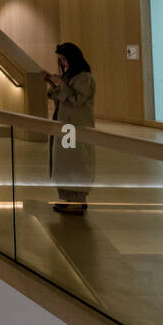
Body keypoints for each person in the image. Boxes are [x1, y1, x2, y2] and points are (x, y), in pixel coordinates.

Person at [45, 42, 96, 214]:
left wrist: (61, 84)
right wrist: (54, 85)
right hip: (66, 127)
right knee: (65, 162)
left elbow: (76, 100)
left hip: (76, 127)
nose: (62, 64)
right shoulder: (70, 76)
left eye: (64, 60)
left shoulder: (84, 78)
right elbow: (62, 96)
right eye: (60, 60)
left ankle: (78, 200)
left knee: (77, 162)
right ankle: (68, 198)